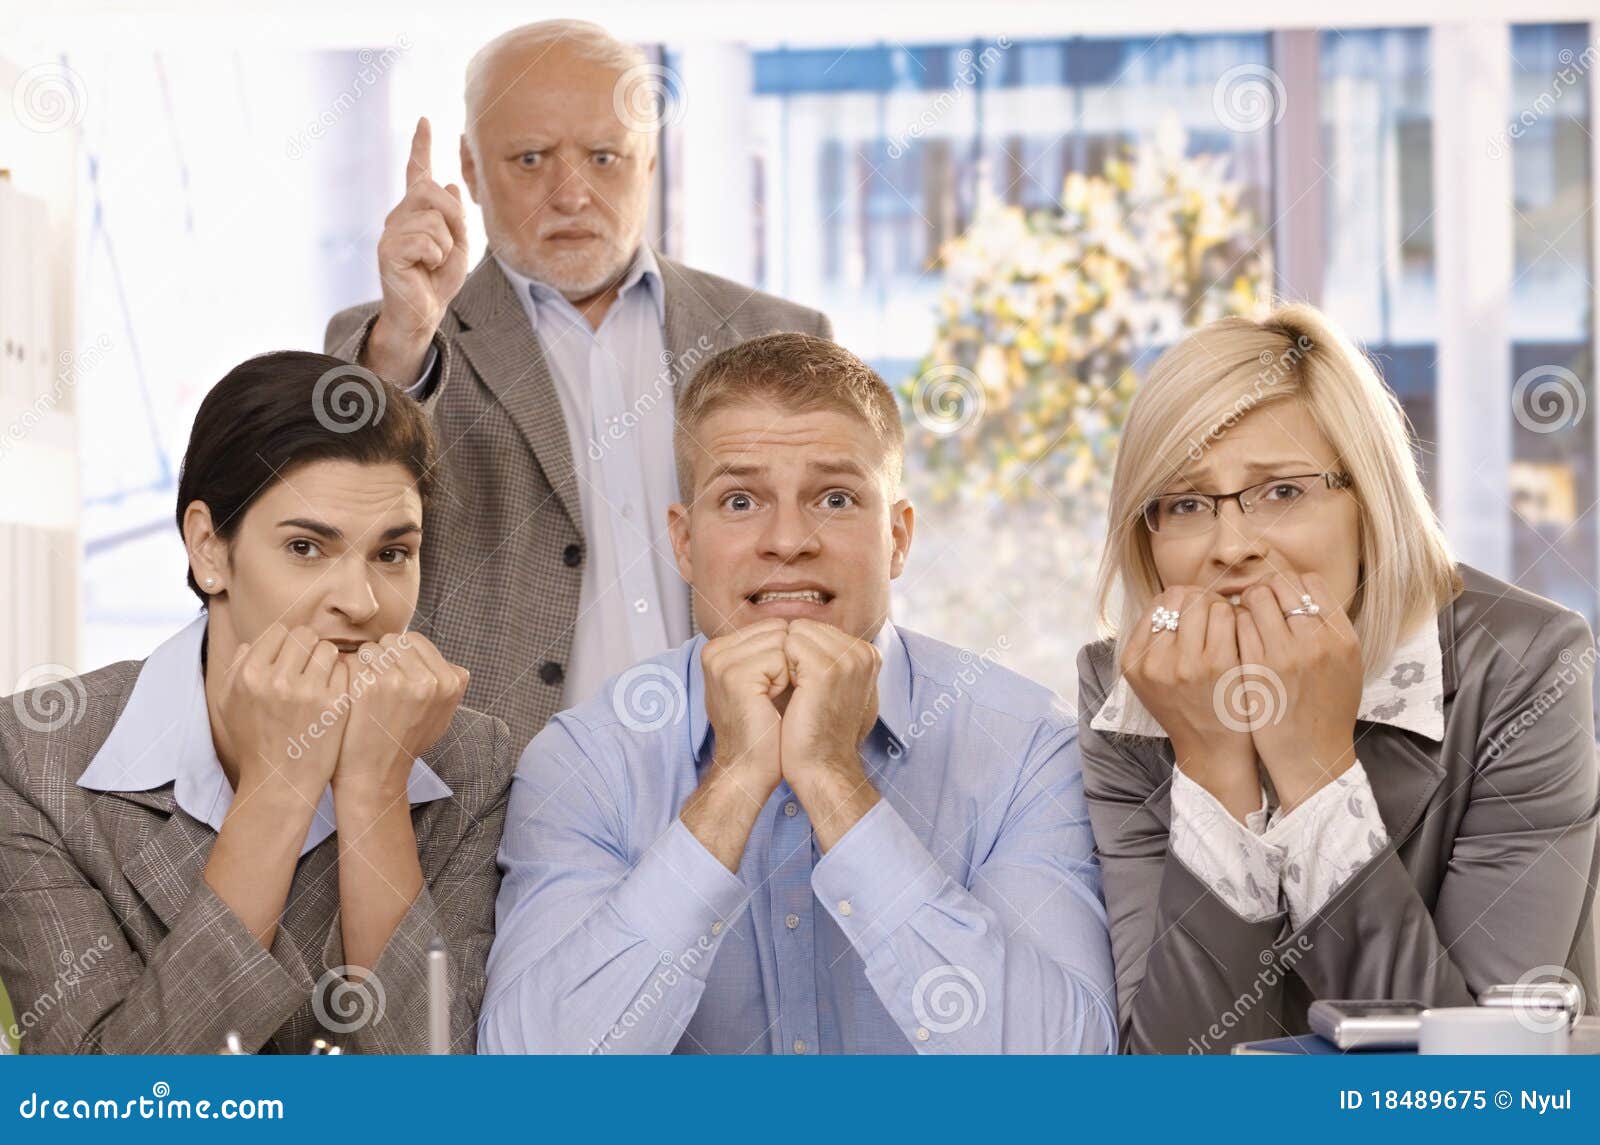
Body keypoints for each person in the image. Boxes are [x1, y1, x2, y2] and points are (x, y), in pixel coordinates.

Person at [478, 333, 1116, 1054]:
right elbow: (533, 1078)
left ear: (898, 537)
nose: (787, 539)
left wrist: (833, 779)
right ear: (684, 543)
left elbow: (1060, 1065)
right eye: (741, 498)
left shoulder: (1029, 744)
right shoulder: (584, 760)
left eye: (836, 497)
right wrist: (734, 779)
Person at [1077, 303, 1600, 1053]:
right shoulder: (1121, 698)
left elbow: (1479, 1088)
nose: (1233, 546)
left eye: (1282, 491)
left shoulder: (1523, 668)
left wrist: (1315, 770)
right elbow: (1174, 1086)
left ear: (1369, 500)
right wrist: (1214, 771)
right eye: (1187, 503)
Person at [326, 20, 831, 749]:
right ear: (469, 169)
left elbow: (837, 558)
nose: (570, 193)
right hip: (497, 804)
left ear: (650, 161)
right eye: (530, 159)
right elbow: (342, 515)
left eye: (604, 157)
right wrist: (405, 337)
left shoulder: (778, 334)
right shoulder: (398, 339)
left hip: (742, 777)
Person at [0, 353, 514, 1053]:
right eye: (306, 547)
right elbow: (105, 1111)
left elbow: (437, 1097)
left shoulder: (474, 759)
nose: (361, 603)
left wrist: (375, 791)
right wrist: (280, 784)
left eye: (393, 554)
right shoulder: (36, 760)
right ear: (209, 549)